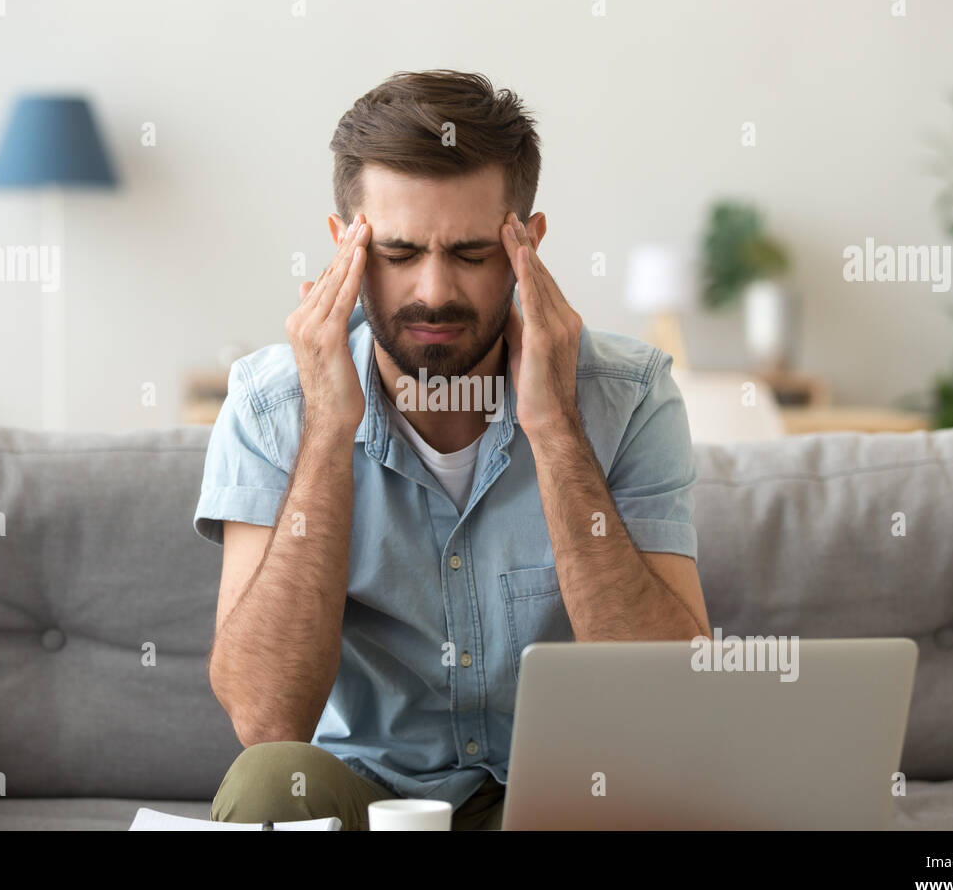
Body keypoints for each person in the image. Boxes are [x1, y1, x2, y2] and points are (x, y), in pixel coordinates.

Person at [194, 70, 709, 830]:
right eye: (398, 252)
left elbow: (670, 692)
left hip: (568, 800)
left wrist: (557, 428)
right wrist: (330, 432)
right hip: (366, 793)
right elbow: (267, 720)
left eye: (470, 253)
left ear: (526, 245)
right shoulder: (272, 405)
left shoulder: (628, 396)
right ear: (346, 248)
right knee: (272, 781)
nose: (433, 291)